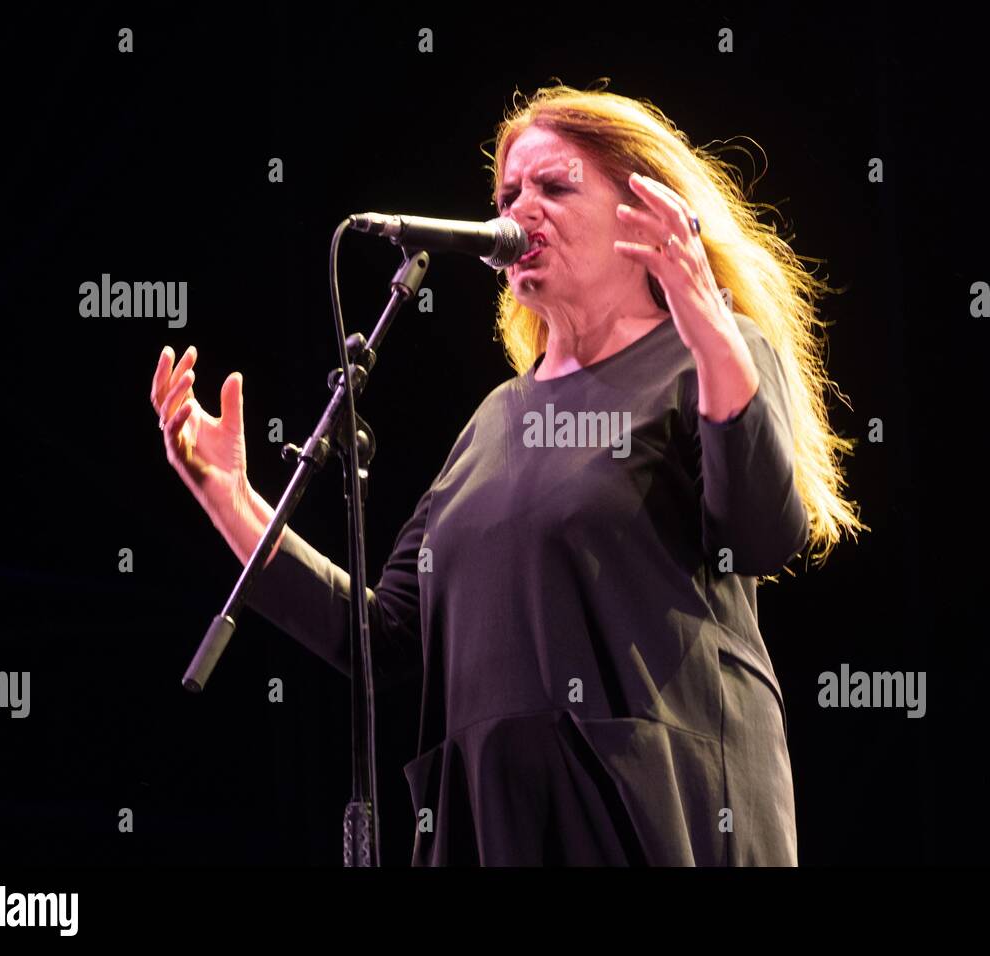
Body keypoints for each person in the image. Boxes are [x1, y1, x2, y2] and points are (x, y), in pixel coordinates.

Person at [148, 83, 866, 866]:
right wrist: (230, 499)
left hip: (654, 808)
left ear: (645, 214)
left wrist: (706, 322)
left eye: (555, 186)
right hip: (490, 825)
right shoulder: (496, 419)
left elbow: (762, 534)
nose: (521, 209)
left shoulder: (706, 359)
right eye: (508, 192)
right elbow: (383, 642)